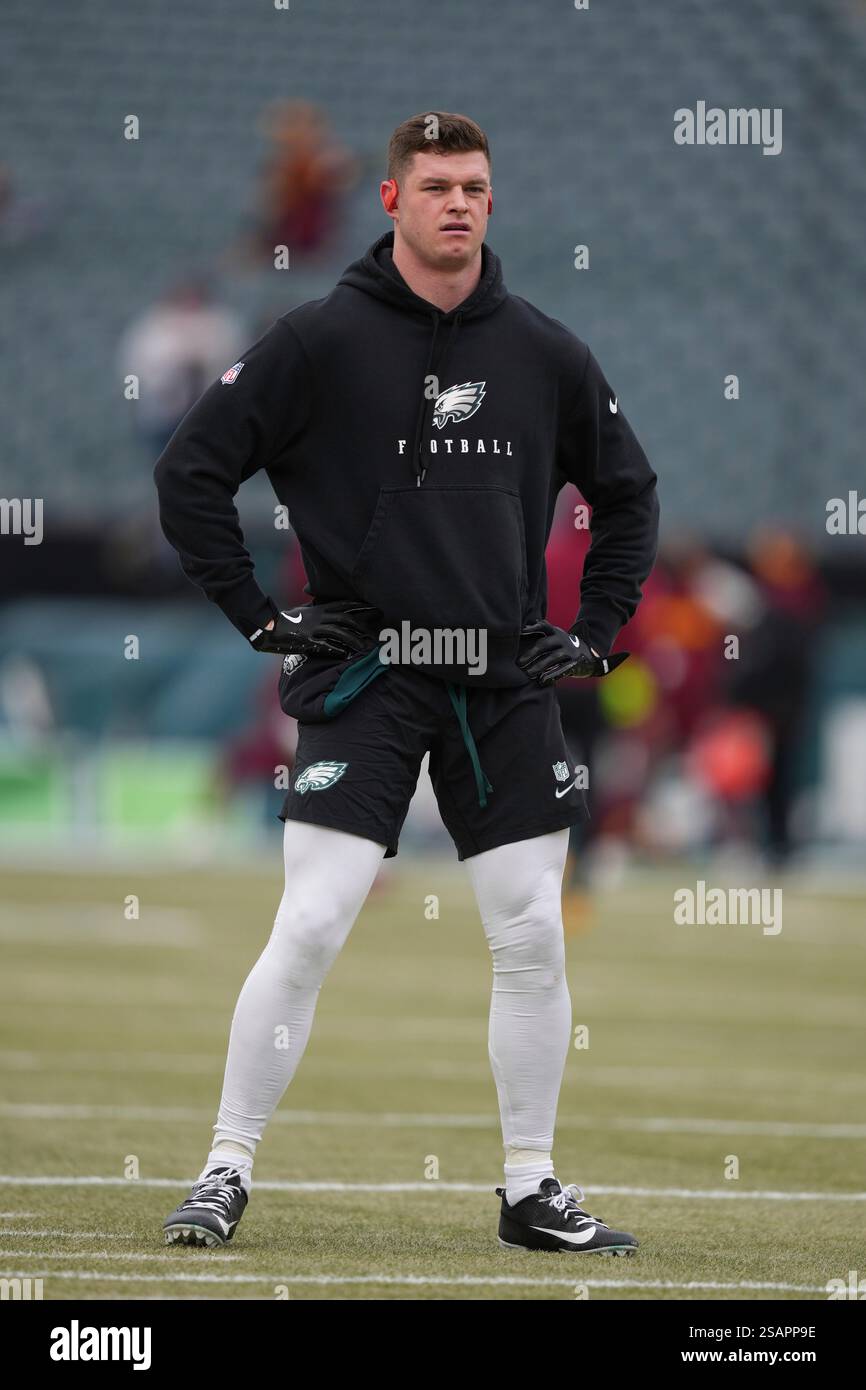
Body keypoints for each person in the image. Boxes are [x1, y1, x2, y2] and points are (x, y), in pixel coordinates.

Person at [153, 112, 659, 1255]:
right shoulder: (317, 340)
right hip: (365, 673)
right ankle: (224, 1169)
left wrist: (593, 633)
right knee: (316, 918)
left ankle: (530, 1189)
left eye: (474, 185)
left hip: (499, 678)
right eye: (434, 185)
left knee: (531, 933)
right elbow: (190, 472)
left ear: (491, 198)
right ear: (390, 200)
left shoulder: (543, 350)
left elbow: (628, 494)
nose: (458, 203)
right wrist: (259, 618)